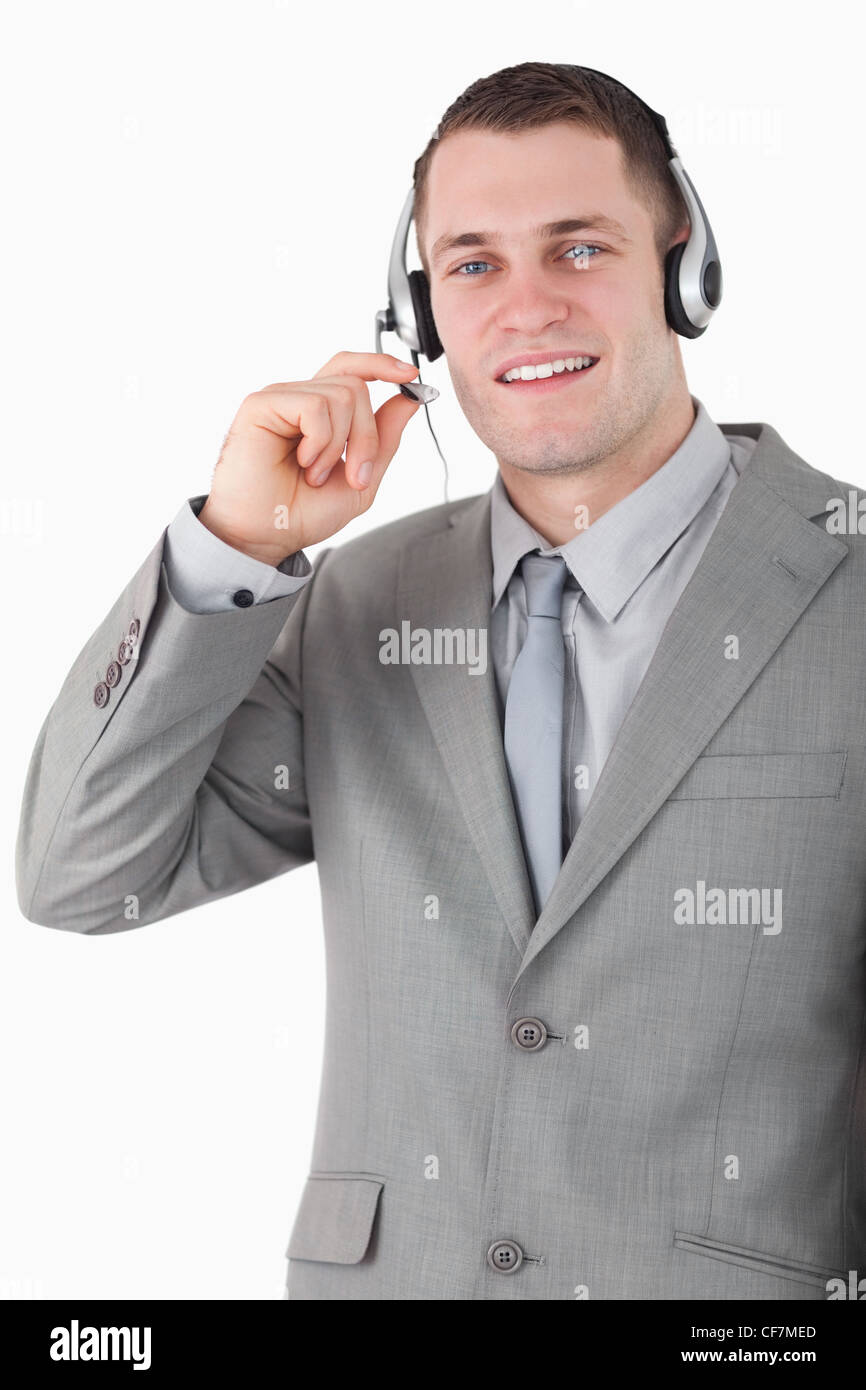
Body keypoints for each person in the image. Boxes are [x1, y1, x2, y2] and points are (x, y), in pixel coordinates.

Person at [15, 62, 866, 1301]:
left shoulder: (840, 579)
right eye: (471, 265)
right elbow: (80, 876)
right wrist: (237, 551)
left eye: (576, 249)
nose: (524, 309)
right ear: (417, 313)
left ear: (684, 265)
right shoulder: (353, 603)